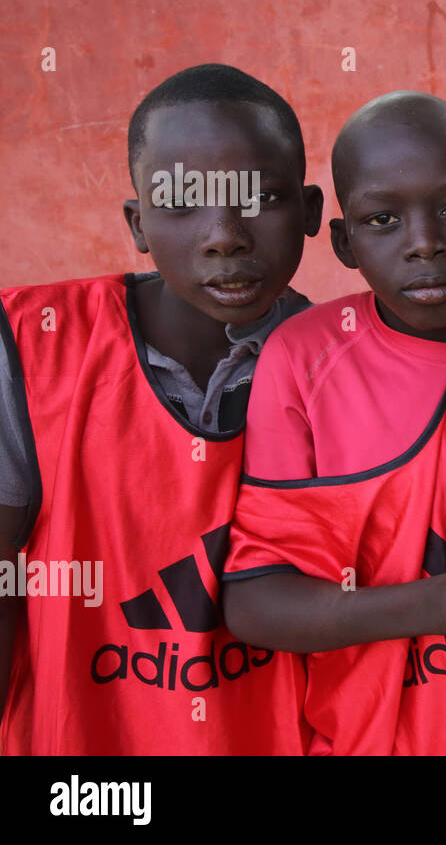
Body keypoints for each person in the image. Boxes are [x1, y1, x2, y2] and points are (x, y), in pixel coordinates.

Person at [220, 91, 446, 755]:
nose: (425, 244)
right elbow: (257, 602)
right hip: (374, 737)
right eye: (383, 219)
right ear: (345, 243)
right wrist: (443, 605)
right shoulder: (305, 356)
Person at [0, 63, 319, 753]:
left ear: (313, 211)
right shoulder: (33, 343)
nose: (224, 234)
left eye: (260, 197)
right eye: (182, 203)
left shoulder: (349, 365)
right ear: (137, 223)